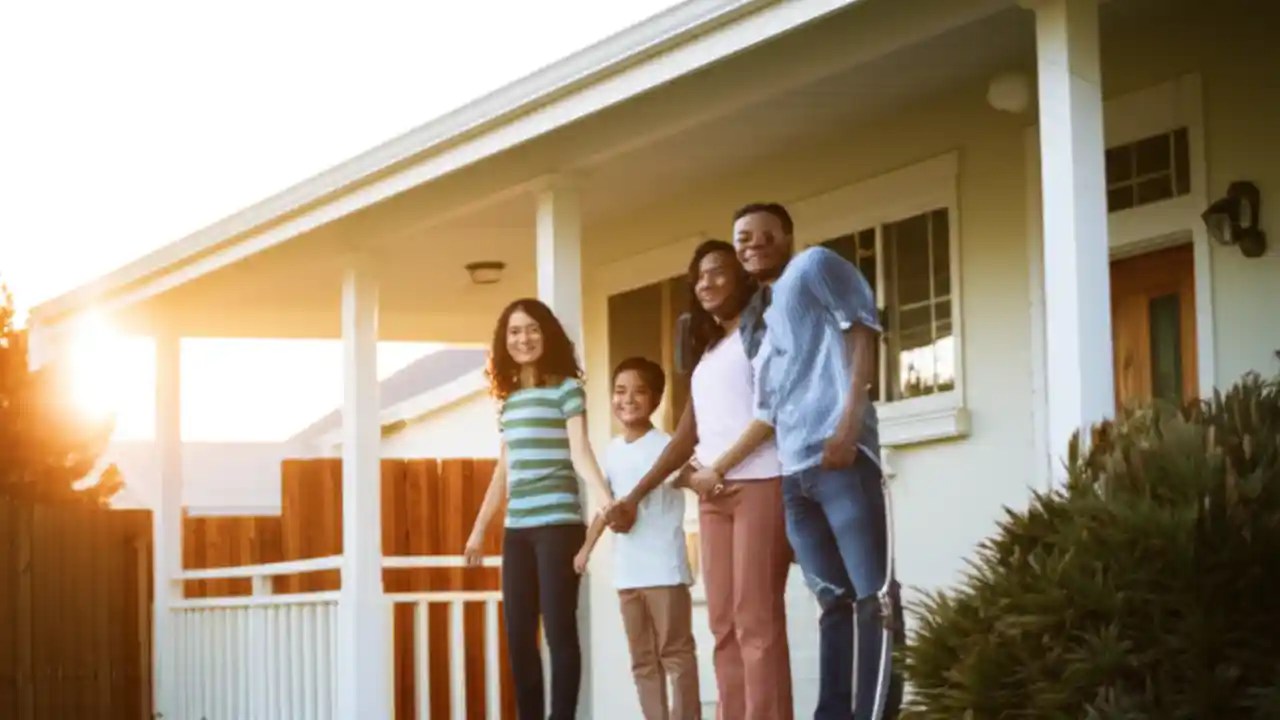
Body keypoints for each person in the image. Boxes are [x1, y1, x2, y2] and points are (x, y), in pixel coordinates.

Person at [714, 203, 901, 720]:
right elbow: (770, 407)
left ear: (786, 233)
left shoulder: (814, 265)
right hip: (795, 474)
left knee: (874, 596)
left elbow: (862, 329)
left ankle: (877, 711)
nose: (750, 245)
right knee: (833, 603)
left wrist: (848, 423)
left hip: (838, 457)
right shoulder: (768, 313)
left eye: (759, 234)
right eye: (740, 239)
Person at [609, 239, 794, 720]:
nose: (706, 282)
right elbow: (686, 437)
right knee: (722, 623)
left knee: (756, 619)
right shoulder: (710, 353)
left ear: (743, 278)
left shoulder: (763, 334)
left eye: (718, 272)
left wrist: (718, 468)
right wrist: (637, 494)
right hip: (714, 497)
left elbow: (769, 414)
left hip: (757, 483)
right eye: (699, 275)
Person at [463, 298, 614, 720]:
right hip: (518, 530)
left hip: (558, 526)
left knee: (560, 631)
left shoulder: (565, 389)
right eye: (514, 331)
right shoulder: (509, 402)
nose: (523, 338)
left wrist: (604, 497)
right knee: (518, 635)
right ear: (503, 341)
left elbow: (580, 451)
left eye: (531, 329)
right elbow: (502, 473)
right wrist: (478, 532)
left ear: (546, 335)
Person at [574, 357, 699, 720]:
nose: (628, 399)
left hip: (664, 570)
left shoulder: (668, 446)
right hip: (628, 573)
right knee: (642, 661)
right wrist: (586, 547)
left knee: (675, 655)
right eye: (619, 391)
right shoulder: (613, 450)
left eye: (639, 391)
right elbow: (606, 505)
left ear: (656, 398)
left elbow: (689, 474)